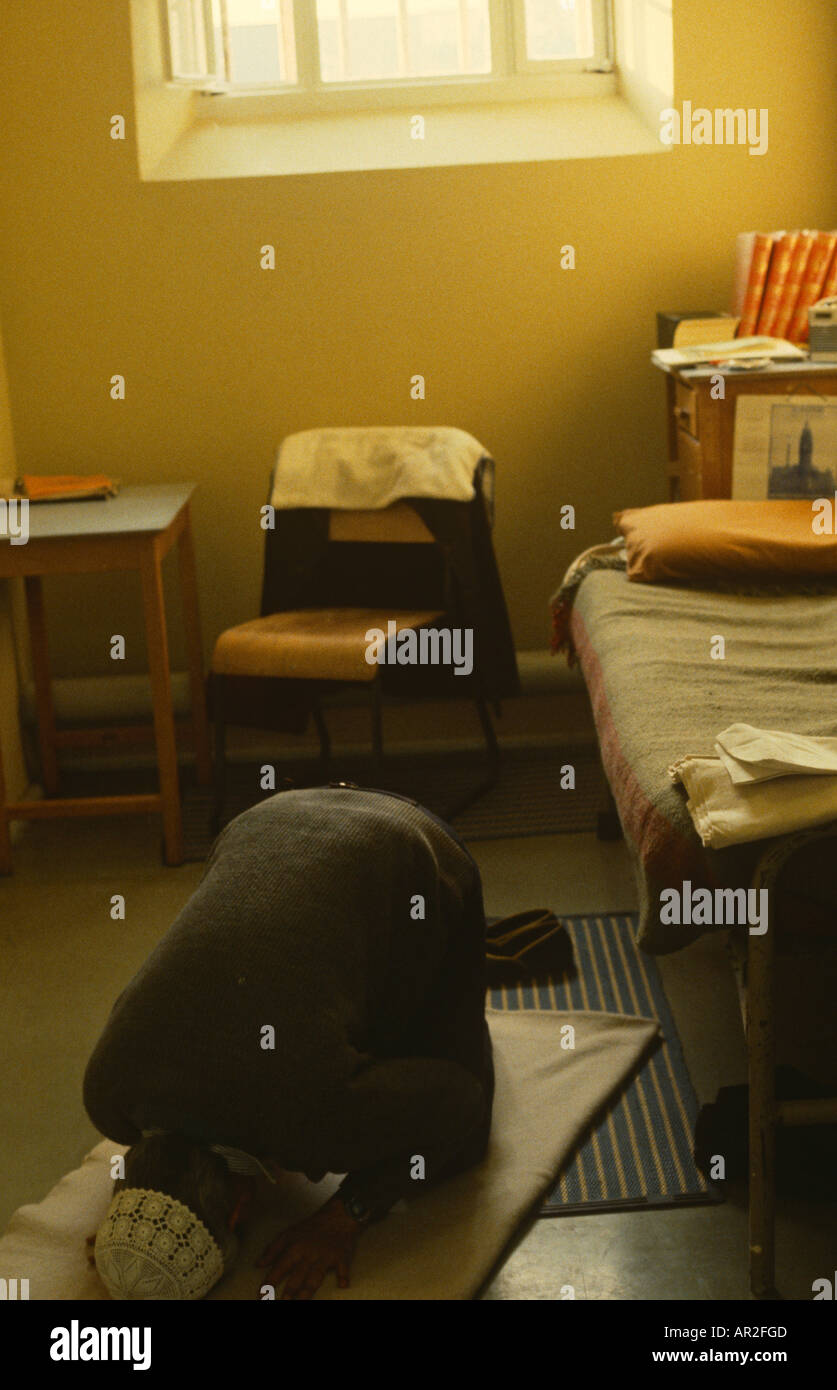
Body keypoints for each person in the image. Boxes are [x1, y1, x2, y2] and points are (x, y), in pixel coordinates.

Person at [83, 783, 494, 1300]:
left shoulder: (312, 1119)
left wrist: (347, 1213)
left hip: (422, 849)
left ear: (238, 1211)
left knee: (466, 1134)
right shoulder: (106, 1092)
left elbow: (460, 1100)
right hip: (266, 817)